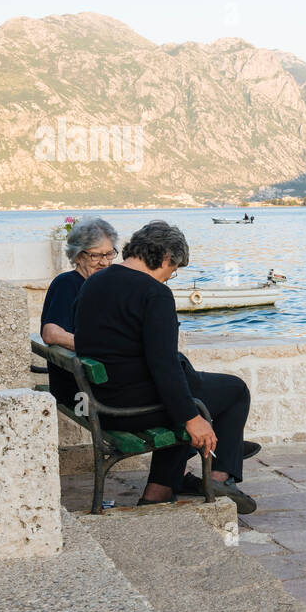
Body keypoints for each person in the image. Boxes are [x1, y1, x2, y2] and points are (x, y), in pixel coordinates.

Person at [73, 220, 258, 513]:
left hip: (100, 399)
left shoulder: (97, 280)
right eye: (174, 269)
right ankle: (222, 476)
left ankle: (160, 490)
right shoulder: (154, 293)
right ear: (166, 257)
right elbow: (163, 366)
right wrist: (191, 418)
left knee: (189, 395)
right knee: (231, 391)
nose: (171, 277)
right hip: (129, 409)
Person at [40, 217, 119, 409]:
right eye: (96, 256)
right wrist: (101, 347)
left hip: (95, 382)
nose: (105, 262)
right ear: (77, 256)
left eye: (109, 254)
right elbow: (51, 332)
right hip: (80, 393)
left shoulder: (102, 284)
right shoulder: (67, 283)